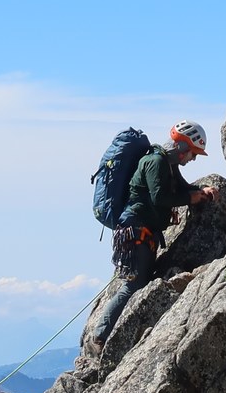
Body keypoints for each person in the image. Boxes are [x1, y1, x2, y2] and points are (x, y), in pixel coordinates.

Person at [84, 120, 214, 353]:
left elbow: (180, 189)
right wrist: (191, 199)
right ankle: (100, 336)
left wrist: (199, 192)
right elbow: (160, 198)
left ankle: (105, 336)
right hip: (135, 231)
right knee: (134, 285)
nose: (192, 159)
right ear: (182, 147)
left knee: (139, 282)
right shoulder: (155, 162)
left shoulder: (168, 163)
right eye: (193, 154)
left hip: (142, 232)